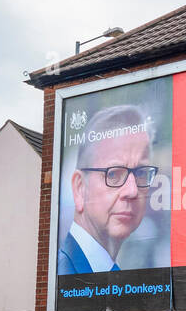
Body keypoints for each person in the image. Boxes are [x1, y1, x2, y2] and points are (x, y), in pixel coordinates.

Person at [58, 104, 158, 274]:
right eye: (113, 174)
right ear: (79, 188)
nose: (132, 191)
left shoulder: (102, 272)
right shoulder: (65, 273)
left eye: (141, 172)